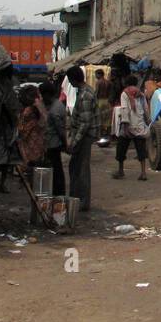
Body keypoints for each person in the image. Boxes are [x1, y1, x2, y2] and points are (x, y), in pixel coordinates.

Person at [66, 65, 98, 212]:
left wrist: (75, 140)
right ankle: (76, 197)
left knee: (81, 169)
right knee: (75, 167)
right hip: (83, 135)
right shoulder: (85, 91)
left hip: (85, 137)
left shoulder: (85, 94)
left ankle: (82, 201)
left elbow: (85, 122)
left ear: (73, 79)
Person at [113, 74, 150, 181]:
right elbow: (146, 109)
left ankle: (121, 171)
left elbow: (124, 109)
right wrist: (147, 121)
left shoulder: (125, 93)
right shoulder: (141, 94)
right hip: (139, 125)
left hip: (128, 126)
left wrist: (125, 124)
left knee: (121, 149)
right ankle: (143, 173)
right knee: (141, 150)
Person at [39, 78, 68, 196]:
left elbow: (60, 130)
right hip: (52, 143)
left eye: (42, 95)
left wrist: (64, 144)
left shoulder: (55, 109)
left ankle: (58, 195)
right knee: (56, 170)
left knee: (56, 171)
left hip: (53, 144)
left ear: (47, 94)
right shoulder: (56, 105)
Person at [16, 85, 48, 176]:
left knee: (30, 164)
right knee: (35, 165)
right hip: (37, 140)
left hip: (30, 140)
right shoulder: (38, 107)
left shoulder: (29, 110)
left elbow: (22, 129)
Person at [94, 70, 116, 147]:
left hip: (100, 101)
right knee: (108, 120)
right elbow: (112, 94)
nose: (95, 76)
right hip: (108, 102)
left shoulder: (98, 82)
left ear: (99, 74)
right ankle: (109, 137)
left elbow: (96, 93)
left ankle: (99, 138)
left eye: (96, 74)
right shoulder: (109, 82)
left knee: (99, 120)